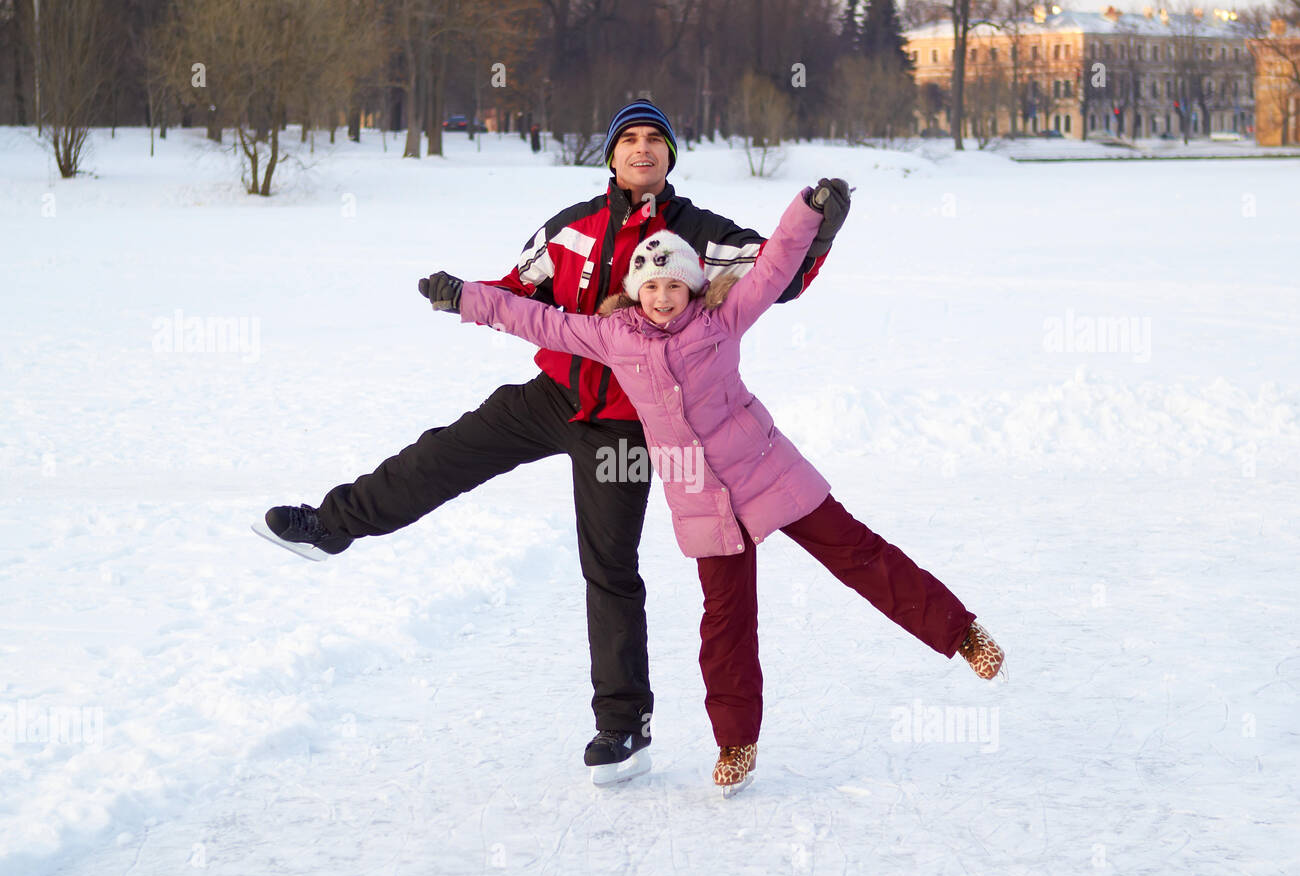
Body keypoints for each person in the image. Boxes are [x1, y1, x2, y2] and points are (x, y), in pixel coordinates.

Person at [255, 99, 840, 784]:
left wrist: (821, 230)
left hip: (627, 422)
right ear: (612, 156)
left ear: (671, 156)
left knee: (609, 563)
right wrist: (460, 293)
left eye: (656, 139)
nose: (642, 150)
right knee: (442, 455)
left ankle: (624, 726)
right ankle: (330, 524)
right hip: (555, 394)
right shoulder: (573, 229)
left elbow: (781, 275)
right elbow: (519, 290)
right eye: (629, 140)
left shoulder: (702, 235)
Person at [416, 179, 1006, 795]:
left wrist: (807, 212)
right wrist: (465, 298)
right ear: (634, 293)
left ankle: (961, 632)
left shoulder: (722, 320)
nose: (664, 298)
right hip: (700, 499)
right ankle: (736, 744)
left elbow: (775, 266)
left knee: (857, 553)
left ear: (694, 286)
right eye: (652, 287)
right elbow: (535, 318)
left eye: (675, 285)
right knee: (726, 618)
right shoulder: (614, 338)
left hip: (767, 470)